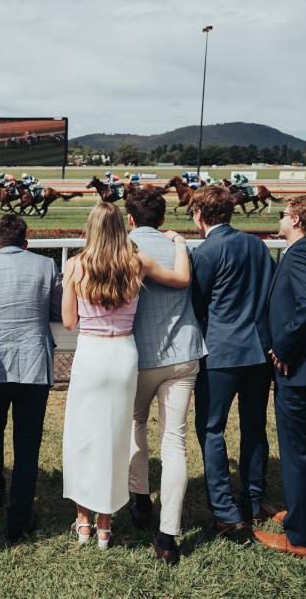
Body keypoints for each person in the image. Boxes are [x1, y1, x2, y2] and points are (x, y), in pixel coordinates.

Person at [61, 203, 190, 550]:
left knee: (83, 437)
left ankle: (84, 521)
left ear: (90, 228)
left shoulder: (75, 264)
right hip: (123, 354)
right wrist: (179, 242)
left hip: (91, 352)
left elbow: (69, 322)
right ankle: (106, 525)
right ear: (123, 227)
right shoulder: (137, 261)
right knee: (117, 438)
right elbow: (182, 280)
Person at [189, 186, 278, 539]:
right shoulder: (256, 244)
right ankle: (254, 500)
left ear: (199, 214)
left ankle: (226, 511)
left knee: (211, 429)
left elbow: (196, 304)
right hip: (258, 351)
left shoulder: (207, 250)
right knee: (254, 426)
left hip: (221, 354)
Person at [124, 190, 207, 564]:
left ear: (130, 219)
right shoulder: (178, 246)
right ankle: (168, 534)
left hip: (140, 353)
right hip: (184, 351)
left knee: (135, 424)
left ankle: (140, 500)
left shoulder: (124, 247)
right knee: (175, 441)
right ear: (161, 218)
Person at [0, 214, 62, 542]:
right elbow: (58, 311)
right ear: (26, 241)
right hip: (34, 363)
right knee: (28, 442)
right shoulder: (46, 266)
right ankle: (20, 516)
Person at [255, 195, 306, 558]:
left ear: (297, 220)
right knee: (304, 445)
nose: (280, 218)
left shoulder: (303, 253)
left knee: (296, 451)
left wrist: (283, 346)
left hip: (298, 367)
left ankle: (300, 536)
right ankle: (302, 513)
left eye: (283, 214)